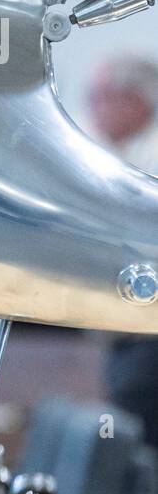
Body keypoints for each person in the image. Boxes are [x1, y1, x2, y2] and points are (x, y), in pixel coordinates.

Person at [89, 56, 158, 450]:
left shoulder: (149, 163)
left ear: (136, 102)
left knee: (137, 437)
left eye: (102, 97)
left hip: (148, 330)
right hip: (118, 328)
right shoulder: (108, 155)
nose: (93, 108)